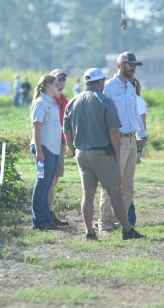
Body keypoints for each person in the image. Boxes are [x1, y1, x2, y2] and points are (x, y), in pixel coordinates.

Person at [63, 67, 144, 241]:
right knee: (115, 193)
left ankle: (89, 232)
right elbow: (114, 131)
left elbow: (67, 131)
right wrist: (116, 153)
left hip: (82, 154)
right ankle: (127, 230)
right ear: (99, 82)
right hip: (102, 153)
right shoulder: (104, 100)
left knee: (87, 194)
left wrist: (73, 150)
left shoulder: (72, 101)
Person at [98, 52, 146, 232]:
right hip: (116, 140)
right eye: (130, 64)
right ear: (120, 65)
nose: (133, 68)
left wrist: (141, 135)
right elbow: (101, 114)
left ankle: (122, 221)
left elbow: (135, 114)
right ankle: (105, 222)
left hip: (131, 140)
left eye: (135, 65)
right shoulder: (108, 87)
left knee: (128, 185)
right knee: (111, 183)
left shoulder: (131, 88)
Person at [29, 74, 63, 230]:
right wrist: (39, 150)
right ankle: (39, 221)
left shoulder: (53, 102)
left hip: (54, 148)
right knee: (42, 183)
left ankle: (45, 218)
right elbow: (36, 128)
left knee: (48, 183)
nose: (59, 86)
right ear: (48, 85)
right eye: (56, 83)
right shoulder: (41, 103)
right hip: (44, 148)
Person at [47, 68, 70, 226]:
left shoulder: (66, 100)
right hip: (50, 143)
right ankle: (46, 213)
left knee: (55, 179)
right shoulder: (48, 100)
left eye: (63, 78)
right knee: (49, 179)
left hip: (61, 142)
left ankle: (49, 212)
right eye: (57, 78)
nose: (60, 81)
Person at [127, 77, 148, 227]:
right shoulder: (135, 99)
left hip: (132, 141)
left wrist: (139, 149)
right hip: (129, 141)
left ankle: (129, 217)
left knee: (126, 180)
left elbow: (142, 124)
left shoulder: (137, 100)